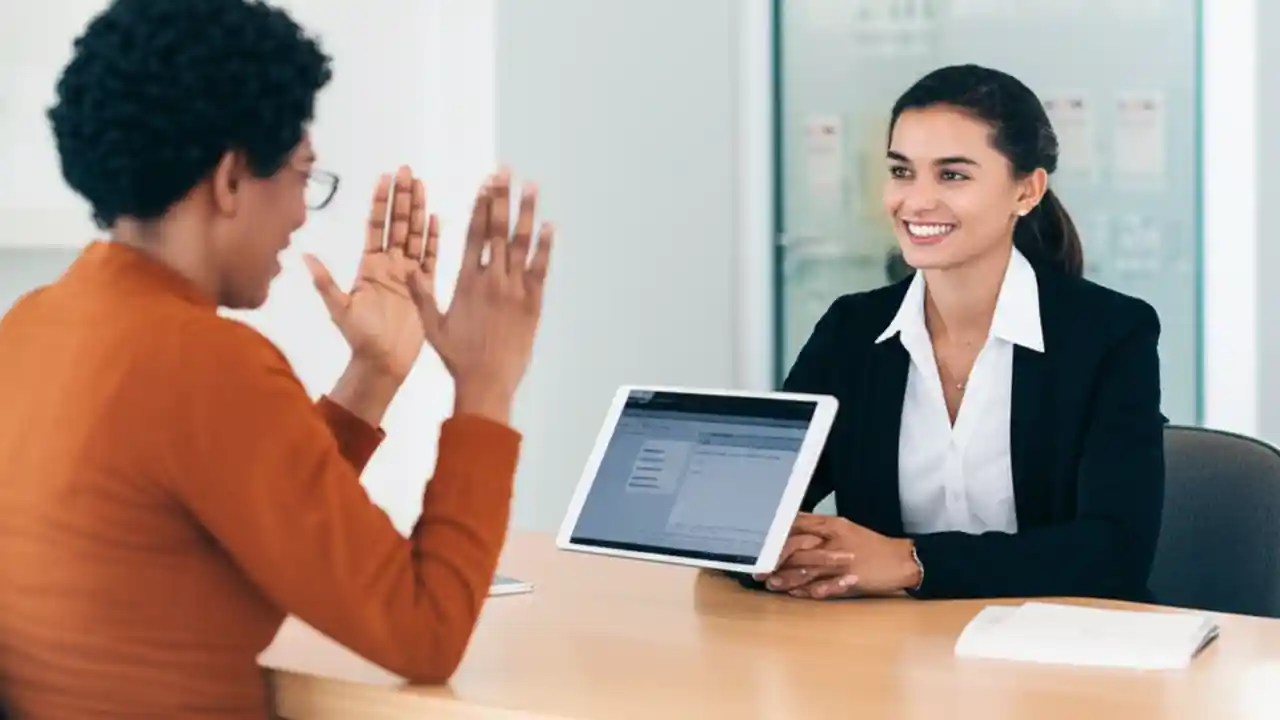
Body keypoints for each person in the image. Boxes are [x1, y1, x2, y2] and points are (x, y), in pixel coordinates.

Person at [0, 0, 553, 717]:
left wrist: (374, 374)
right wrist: (486, 385)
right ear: (231, 180)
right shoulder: (206, 363)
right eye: (301, 175)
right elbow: (425, 630)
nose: (300, 214)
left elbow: (237, 520)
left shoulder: (32, 326)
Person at [754, 65, 1164, 603]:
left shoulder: (1109, 335)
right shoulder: (852, 331)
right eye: (902, 172)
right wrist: (785, 551)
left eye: (952, 175)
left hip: (1056, 652)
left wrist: (909, 561)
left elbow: (1114, 552)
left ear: (1026, 190)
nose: (917, 201)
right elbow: (753, 516)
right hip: (883, 654)